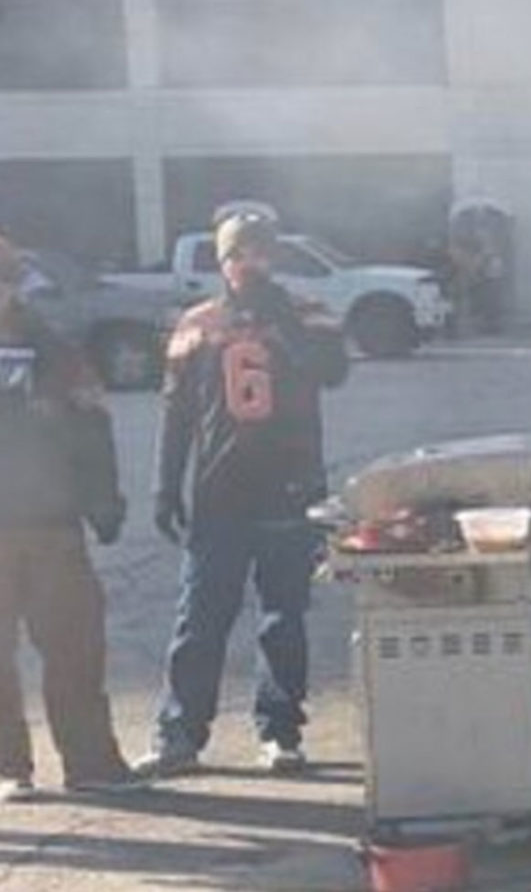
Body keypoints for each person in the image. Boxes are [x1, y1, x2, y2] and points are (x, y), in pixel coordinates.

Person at [137, 212, 349, 778]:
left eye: (260, 253)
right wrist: (165, 485)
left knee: (283, 618)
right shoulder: (199, 323)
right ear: (223, 262)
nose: (250, 264)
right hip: (219, 495)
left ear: (273, 258)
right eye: (239, 255)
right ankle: (181, 732)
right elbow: (176, 413)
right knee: (201, 618)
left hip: (289, 490)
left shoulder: (305, 312)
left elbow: (334, 371)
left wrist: (284, 328)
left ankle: (280, 731)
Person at [0, 235, 145, 801]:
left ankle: (90, 763)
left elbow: (94, 429)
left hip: (53, 527)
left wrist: (104, 501)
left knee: (76, 648)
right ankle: (9, 767)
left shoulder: (55, 351)